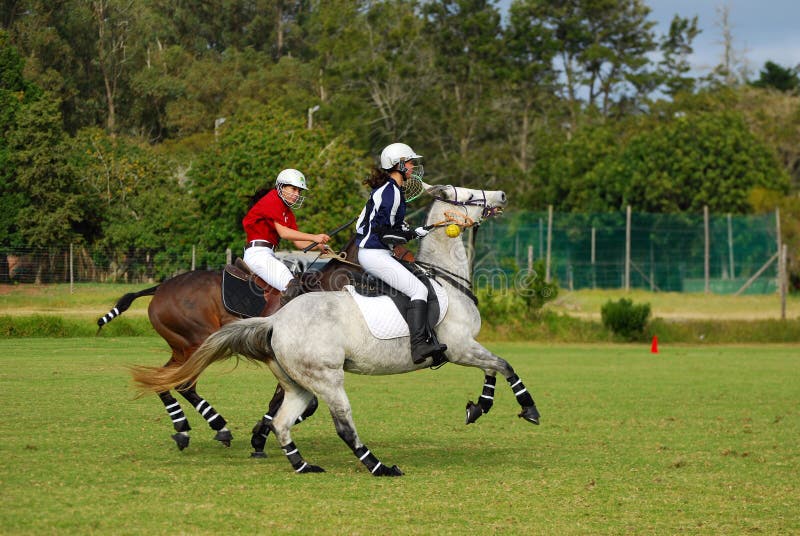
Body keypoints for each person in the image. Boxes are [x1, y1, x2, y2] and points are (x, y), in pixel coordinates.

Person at [355, 142, 447, 364]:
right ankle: (418, 346)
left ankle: (424, 339)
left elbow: (382, 228)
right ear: (399, 165)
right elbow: (387, 233)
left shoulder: (391, 190)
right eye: (410, 162)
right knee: (418, 290)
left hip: (377, 252)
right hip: (374, 253)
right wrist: (410, 234)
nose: (414, 167)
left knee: (417, 283)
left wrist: (416, 231)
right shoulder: (391, 192)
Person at [242, 168, 330, 304]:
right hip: (258, 255)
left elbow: (299, 243)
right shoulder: (272, 199)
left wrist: (319, 246)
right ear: (281, 186)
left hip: (267, 254)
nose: (296, 194)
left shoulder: (287, 212)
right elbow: (284, 233)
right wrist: (314, 237)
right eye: (293, 189)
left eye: (299, 191)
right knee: (293, 288)